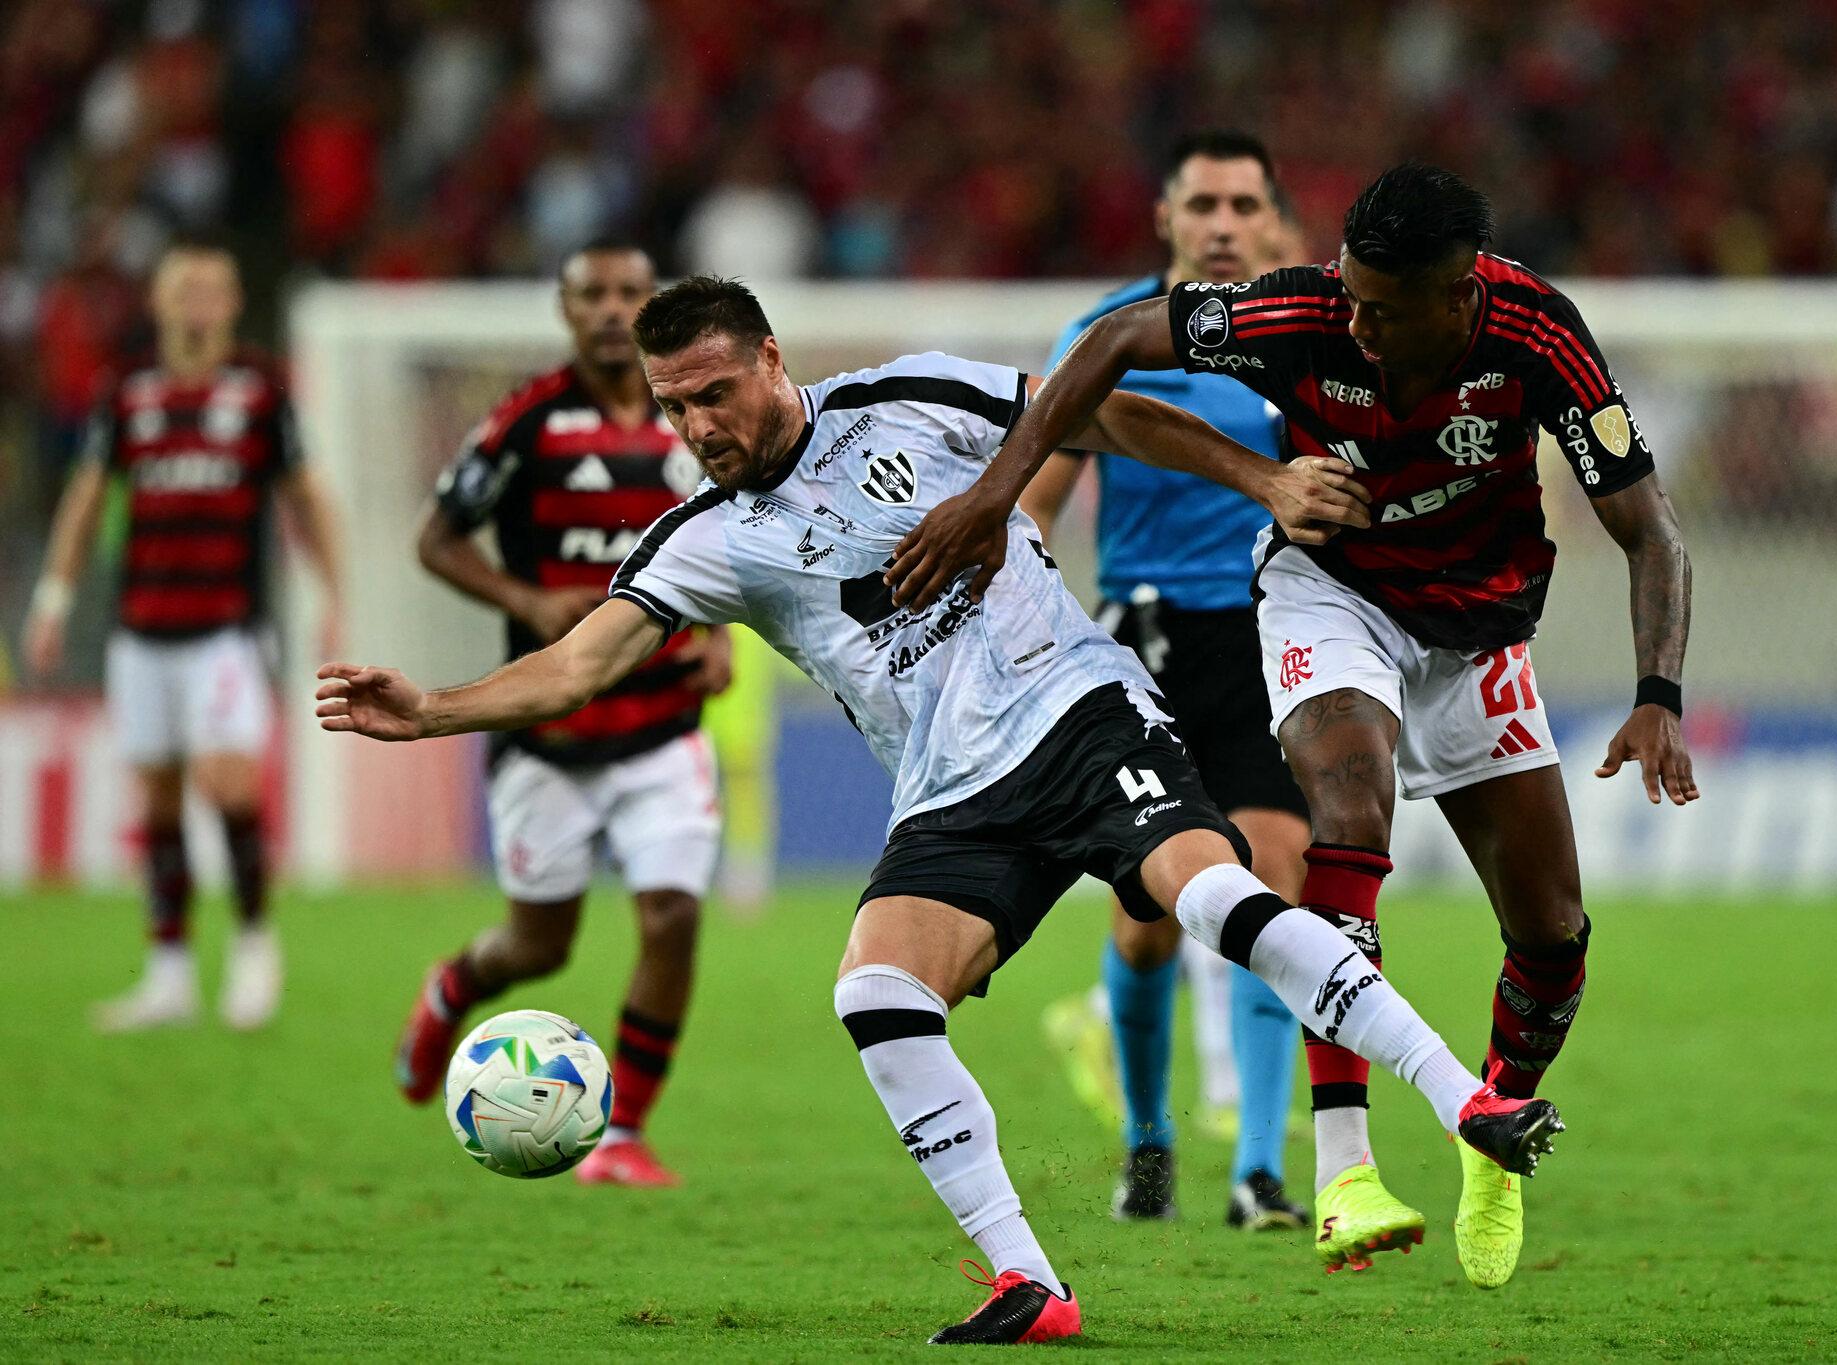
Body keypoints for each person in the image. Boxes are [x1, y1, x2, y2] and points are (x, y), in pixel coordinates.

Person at [314, 276, 1567, 1345]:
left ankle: (1463, 1099)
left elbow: (1106, 417)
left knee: (1217, 898)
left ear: (769, 361)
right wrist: (427, 707)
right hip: (950, 794)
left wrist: (1256, 478)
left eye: (715, 393)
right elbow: (580, 663)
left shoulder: (907, 396)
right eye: (675, 406)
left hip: (1076, 713)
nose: (697, 425)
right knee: (874, 993)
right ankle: (1029, 1278)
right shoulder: (703, 538)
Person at [885, 162, 1698, 1289]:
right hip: (1330, 592)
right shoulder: (1299, 311)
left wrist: (1656, 695)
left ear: (1459, 294)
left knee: (1552, 939)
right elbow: (1118, 338)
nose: (1352, 321)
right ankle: (1338, 1169)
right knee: (1335, 816)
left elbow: (1650, 533)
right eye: (1348, 296)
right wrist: (993, 497)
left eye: (1379, 306)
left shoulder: (1538, 335)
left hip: (1476, 635)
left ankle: (1494, 1131)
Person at [393, 240, 731, 1190]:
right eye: (593, 295)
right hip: (548, 737)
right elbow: (435, 537)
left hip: (663, 728)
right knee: (540, 944)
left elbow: (737, 538)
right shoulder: (526, 423)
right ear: (565, 309)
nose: (612, 310)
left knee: (670, 916)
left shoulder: (694, 420)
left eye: (629, 293)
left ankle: (623, 1131)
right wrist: (524, 600)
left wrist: (717, 636)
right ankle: (453, 986)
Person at [1023, 130, 1311, 1230]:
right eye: (1204, 204)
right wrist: (1035, 606)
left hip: (1264, 631)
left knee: (1273, 874)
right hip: (1139, 641)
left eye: (1244, 203)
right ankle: (1148, 1145)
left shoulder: (1304, 332)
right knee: (1148, 918)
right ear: (1166, 217)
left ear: (1275, 220)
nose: (1223, 224)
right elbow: (1037, 495)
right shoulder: (1108, 335)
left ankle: (1255, 1171)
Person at [22, 239, 345, 1033]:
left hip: (226, 633)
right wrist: (53, 599)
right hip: (142, 632)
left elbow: (308, 498)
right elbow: (87, 498)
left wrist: (332, 593)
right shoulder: (127, 394)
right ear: (160, 303)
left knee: (227, 784)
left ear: (233, 304)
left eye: (213, 289)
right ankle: (168, 970)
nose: (199, 303)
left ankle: (253, 945)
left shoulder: (261, 395)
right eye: (184, 289)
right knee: (160, 800)